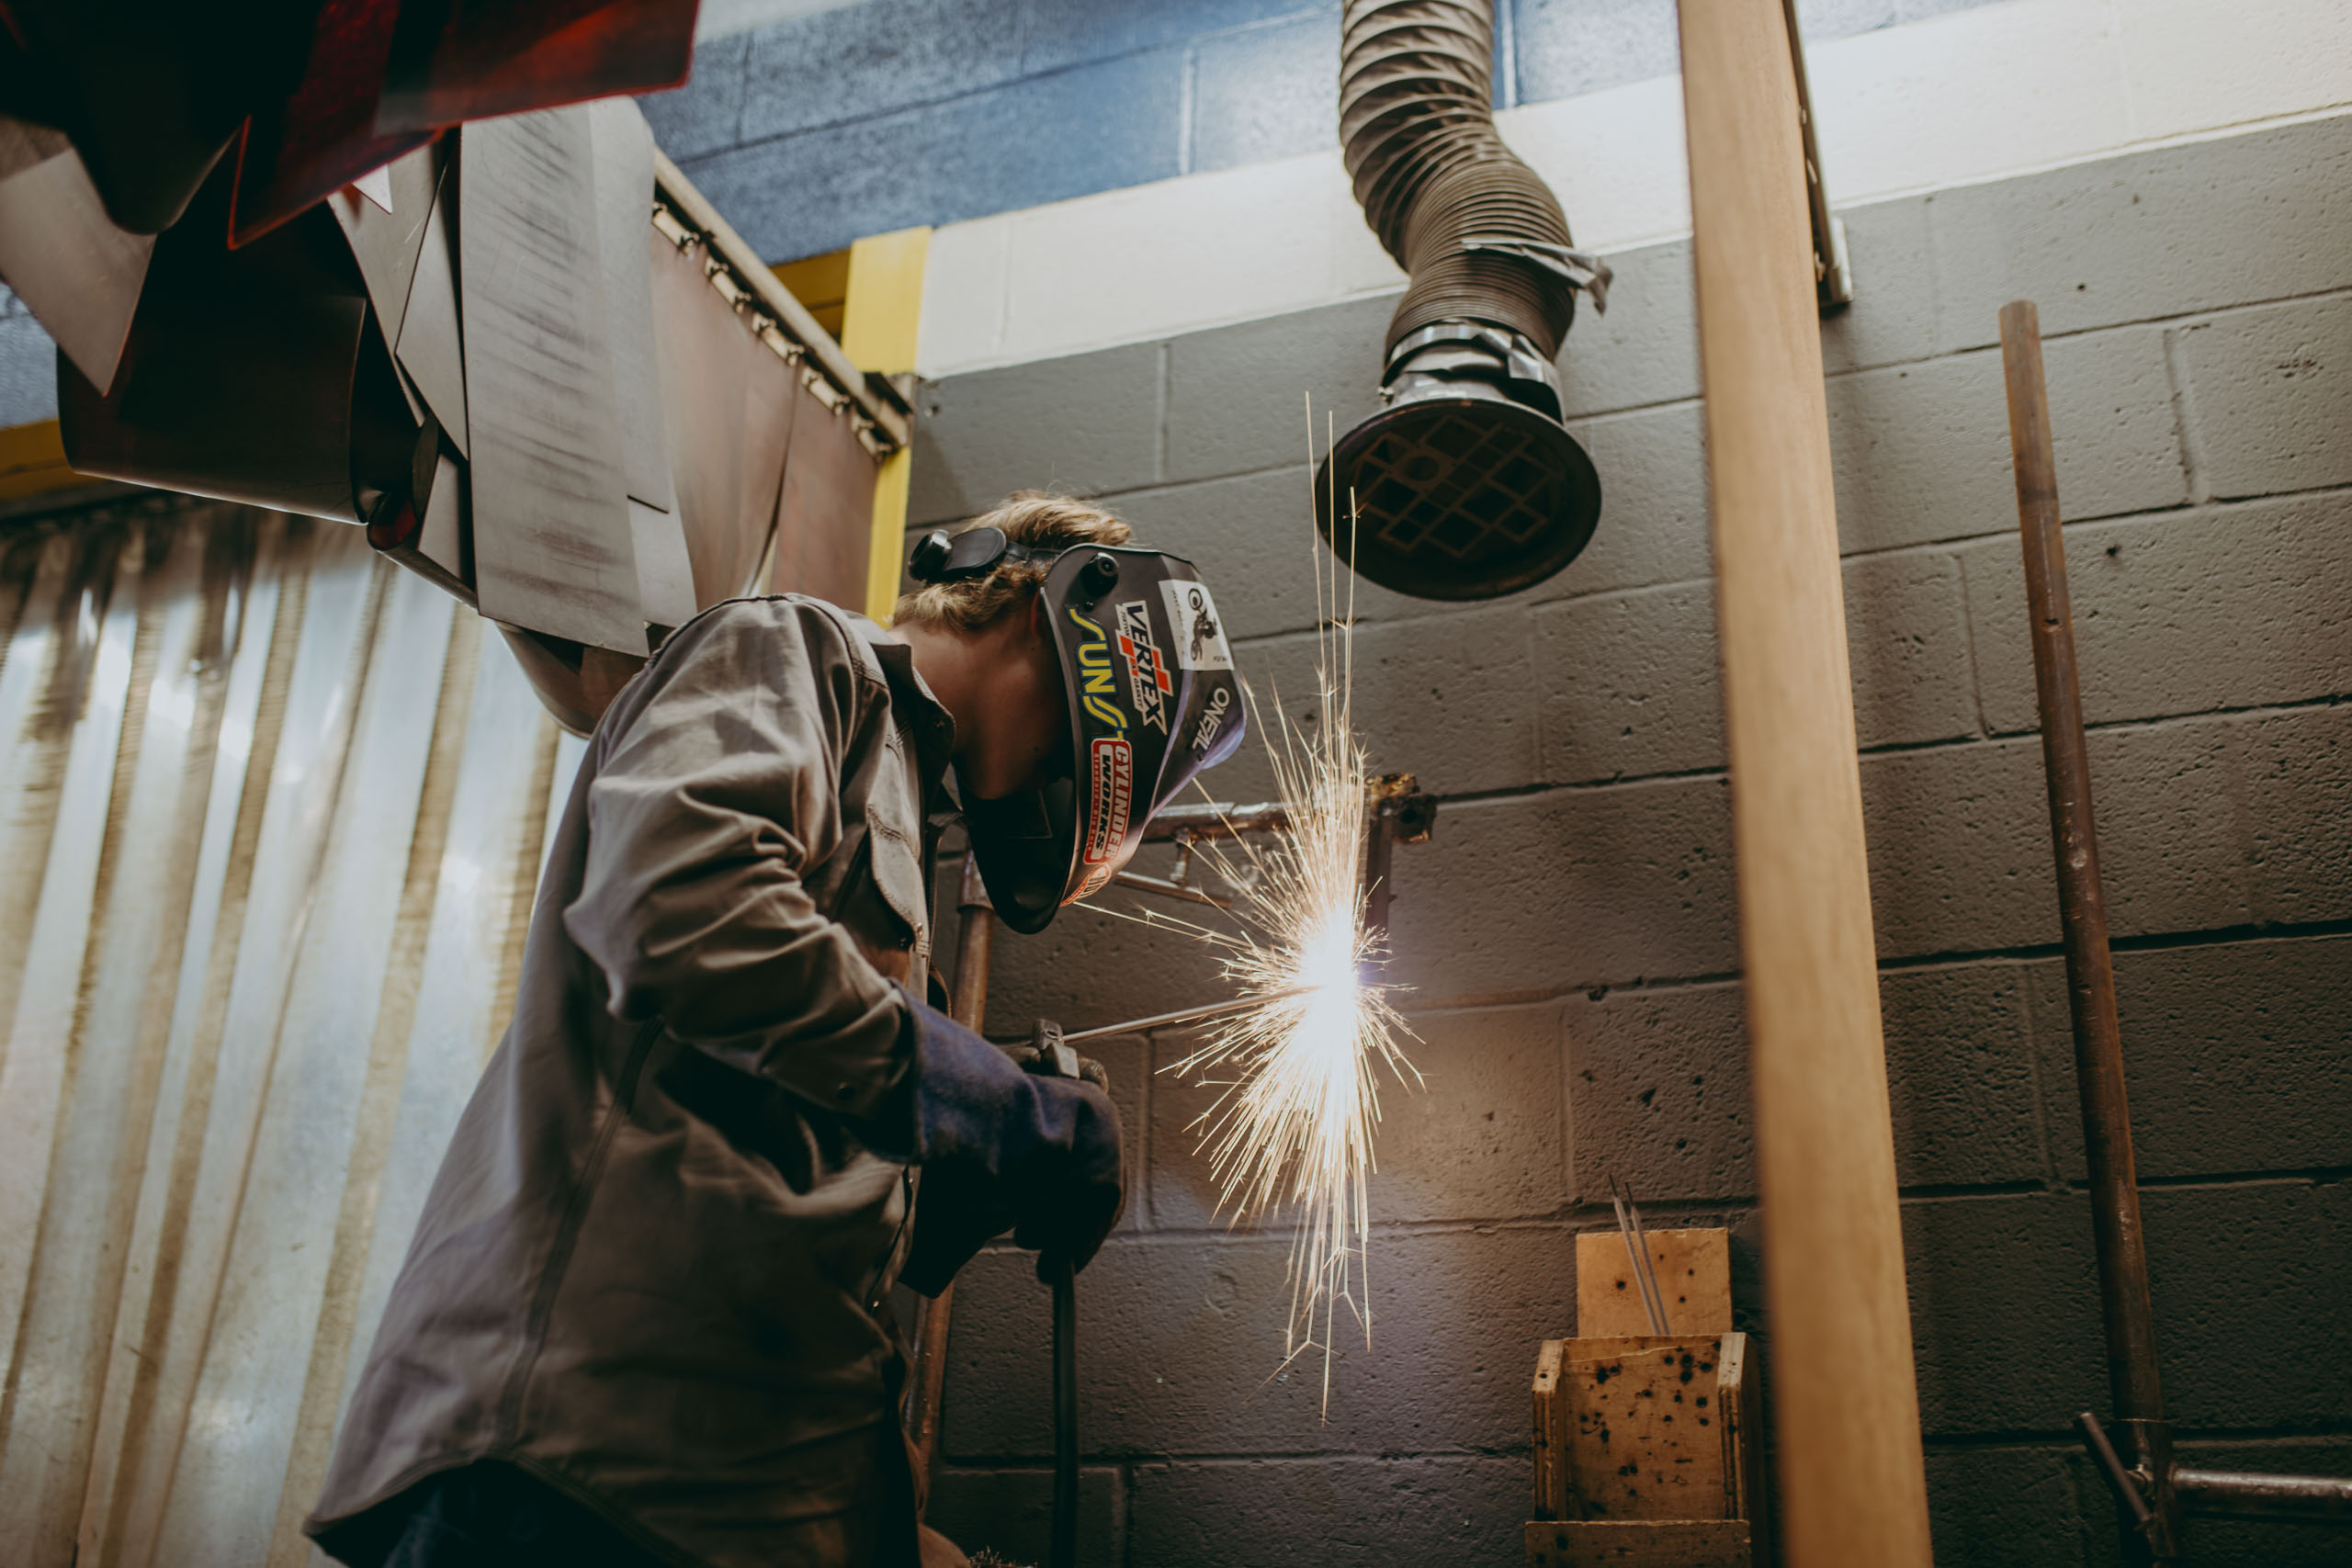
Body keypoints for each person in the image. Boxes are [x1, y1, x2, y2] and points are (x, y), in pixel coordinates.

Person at [305, 492, 1247, 1568]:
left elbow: (776, 1123)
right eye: (1071, 749)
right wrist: (976, 1100)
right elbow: (680, 907)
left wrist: (950, 1160)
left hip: (715, 1489)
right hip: (575, 1466)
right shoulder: (797, 652)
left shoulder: (895, 797)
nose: (1058, 781)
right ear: (1048, 612)